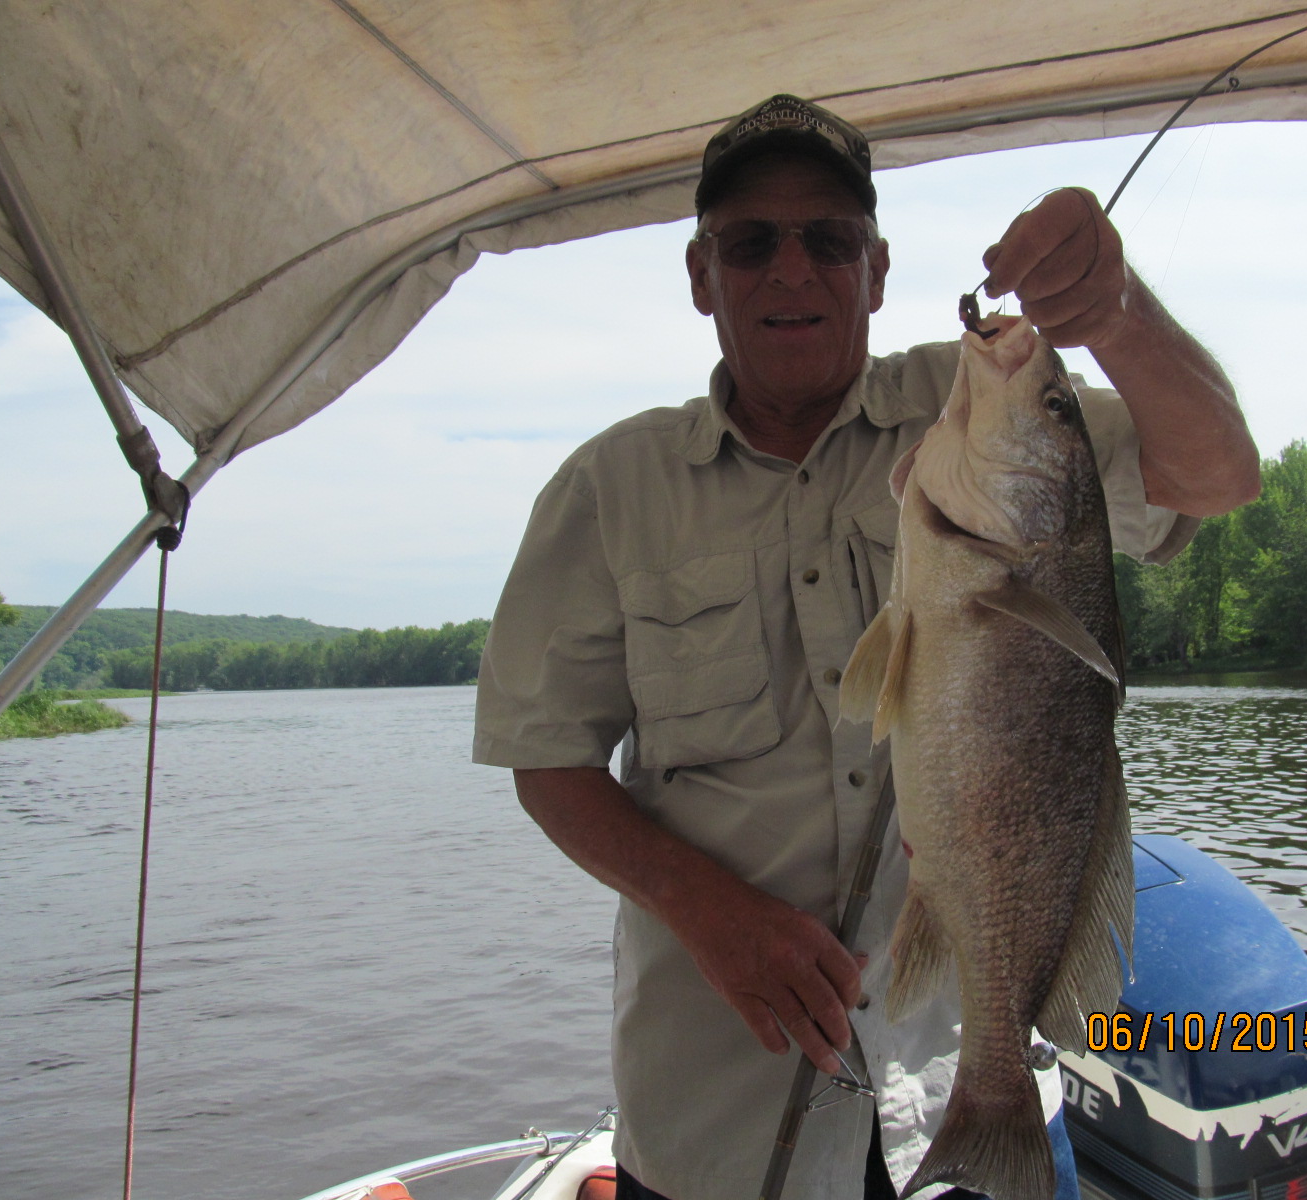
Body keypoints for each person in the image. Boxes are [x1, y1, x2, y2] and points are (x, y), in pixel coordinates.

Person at [473, 95, 1260, 1200]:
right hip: (715, 1128)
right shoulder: (611, 488)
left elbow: (1217, 477)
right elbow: (544, 757)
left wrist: (1118, 315)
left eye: (830, 240)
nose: (791, 269)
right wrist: (707, 911)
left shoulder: (968, 407)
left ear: (876, 271)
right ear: (702, 274)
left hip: (960, 1084)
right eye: (751, 242)